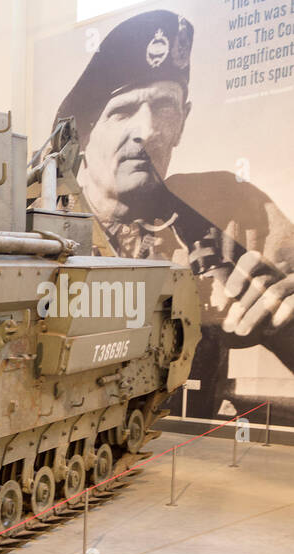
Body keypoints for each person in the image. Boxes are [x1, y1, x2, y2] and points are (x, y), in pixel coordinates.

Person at [52, 8, 294, 422]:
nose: (147, 131)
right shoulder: (48, 225)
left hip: (189, 440)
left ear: (183, 119)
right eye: (122, 112)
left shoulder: (232, 212)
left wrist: (286, 330)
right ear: (87, 131)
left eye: (163, 107)